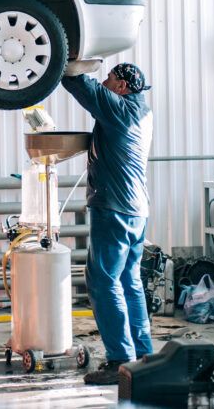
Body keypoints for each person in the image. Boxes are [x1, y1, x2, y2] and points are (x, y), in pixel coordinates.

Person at [62, 60, 155, 385]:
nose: (104, 81)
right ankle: (144, 355)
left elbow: (80, 85)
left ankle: (119, 360)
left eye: (110, 78)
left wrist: (62, 59)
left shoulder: (120, 109)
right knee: (129, 281)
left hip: (114, 208)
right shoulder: (142, 111)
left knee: (103, 280)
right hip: (137, 210)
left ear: (123, 86)